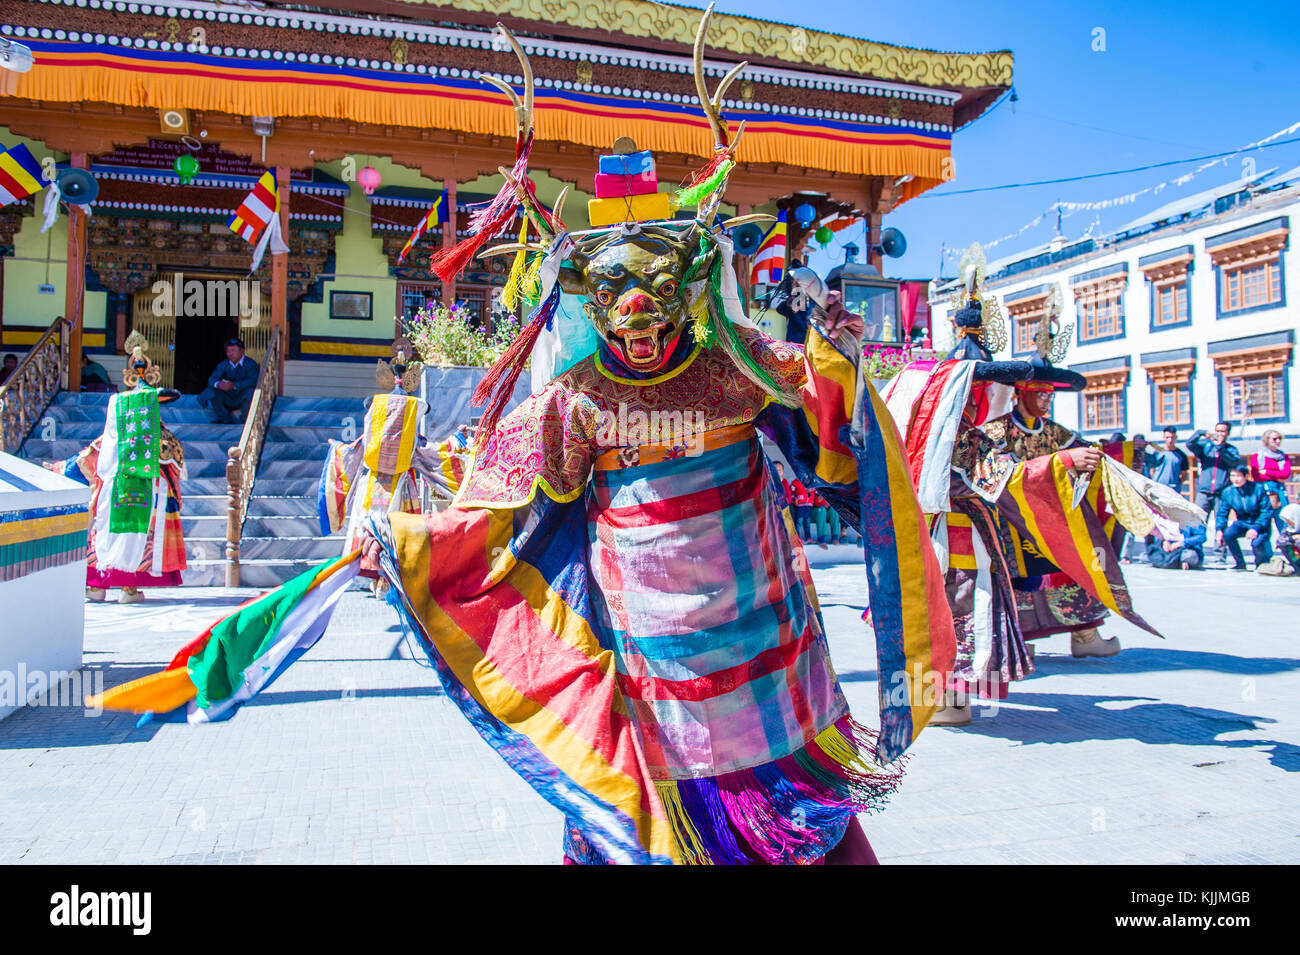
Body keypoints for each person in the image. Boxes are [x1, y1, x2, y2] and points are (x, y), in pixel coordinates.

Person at [94, 18, 960, 866]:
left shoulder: (747, 369)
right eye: (614, 285)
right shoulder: (573, 399)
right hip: (649, 683)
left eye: (655, 280)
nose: (635, 308)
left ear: (692, 277)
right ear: (586, 288)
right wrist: (398, 544)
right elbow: (492, 506)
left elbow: (837, 448)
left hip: (769, 673)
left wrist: (838, 361)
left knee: (809, 840)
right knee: (641, 838)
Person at [883, 276, 1159, 726]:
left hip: (948, 532)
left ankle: (943, 696)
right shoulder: (963, 438)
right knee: (958, 605)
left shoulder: (933, 429)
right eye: (981, 392)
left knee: (950, 603)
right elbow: (1007, 478)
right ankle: (947, 699)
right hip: (958, 536)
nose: (987, 399)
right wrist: (1063, 462)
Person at [978, 292, 1131, 659]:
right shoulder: (997, 432)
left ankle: (1085, 635)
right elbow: (998, 475)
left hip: (1057, 520)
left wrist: (1121, 454)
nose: (1046, 400)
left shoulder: (1060, 433)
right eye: (1039, 393)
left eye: (1050, 394)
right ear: (1019, 394)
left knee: (1080, 563)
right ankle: (1021, 643)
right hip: (1015, 525)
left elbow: (1090, 456)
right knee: (1019, 583)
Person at [45, 332, 186, 603]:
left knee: (105, 534)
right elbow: (175, 462)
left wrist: (60, 469)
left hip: (111, 491)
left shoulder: (110, 437)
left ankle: (97, 587)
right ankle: (128, 588)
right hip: (144, 490)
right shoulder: (159, 438)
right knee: (135, 537)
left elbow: (84, 461)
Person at [318, 339, 468, 578]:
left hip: (373, 482)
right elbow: (430, 453)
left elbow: (355, 450)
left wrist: (337, 448)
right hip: (401, 484)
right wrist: (457, 443)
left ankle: (371, 571)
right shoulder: (410, 422)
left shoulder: (375, 414)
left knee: (371, 524)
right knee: (399, 530)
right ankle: (390, 576)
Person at [1215, 465, 1276, 571]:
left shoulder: (1258, 489)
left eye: (1238, 476)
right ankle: (1240, 563)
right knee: (1228, 534)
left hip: (1260, 524)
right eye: (1233, 476)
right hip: (1242, 522)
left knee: (1256, 543)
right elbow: (1222, 513)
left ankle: (1261, 564)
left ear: (1246, 476)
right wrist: (1220, 529)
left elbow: (1266, 511)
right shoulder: (1228, 492)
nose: (1235, 479)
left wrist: (1256, 528)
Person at [197, 338, 259, 423]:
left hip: (242, 396)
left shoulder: (251, 364)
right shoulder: (224, 364)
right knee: (211, 391)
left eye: (233, 350)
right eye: (228, 351)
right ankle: (224, 418)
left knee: (251, 391)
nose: (230, 353)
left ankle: (245, 420)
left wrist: (234, 385)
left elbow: (252, 381)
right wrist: (219, 384)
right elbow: (212, 379)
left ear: (242, 351)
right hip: (228, 396)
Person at [1187, 422, 1240, 514]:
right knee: (1199, 522)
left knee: (1220, 523)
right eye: (1217, 431)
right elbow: (1189, 444)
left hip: (1220, 494)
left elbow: (1233, 462)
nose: (1219, 434)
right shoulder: (1207, 446)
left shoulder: (1231, 449)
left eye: (1222, 431)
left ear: (1228, 433)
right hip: (1203, 492)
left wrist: (1220, 448)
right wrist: (1200, 433)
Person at [1249, 429, 1292, 500]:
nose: (1278, 441)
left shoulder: (1284, 457)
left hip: (1279, 489)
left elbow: (1286, 474)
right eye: (1275, 439)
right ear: (1267, 440)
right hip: (1263, 489)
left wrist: (1267, 472)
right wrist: (1278, 477)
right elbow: (1256, 476)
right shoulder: (1258, 456)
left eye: (1279, 438)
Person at [1146, 427, 1189, 494]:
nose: (1170, 440)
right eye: (1167, 437)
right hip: (1158, 488)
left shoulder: (1181, 455)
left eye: (1172, 437)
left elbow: (1184, 474)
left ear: (1176, 438)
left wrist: (1176, 484)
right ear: (1164, 438)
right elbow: (1152, 470)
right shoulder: (1157, 452)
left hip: (1173, 489)